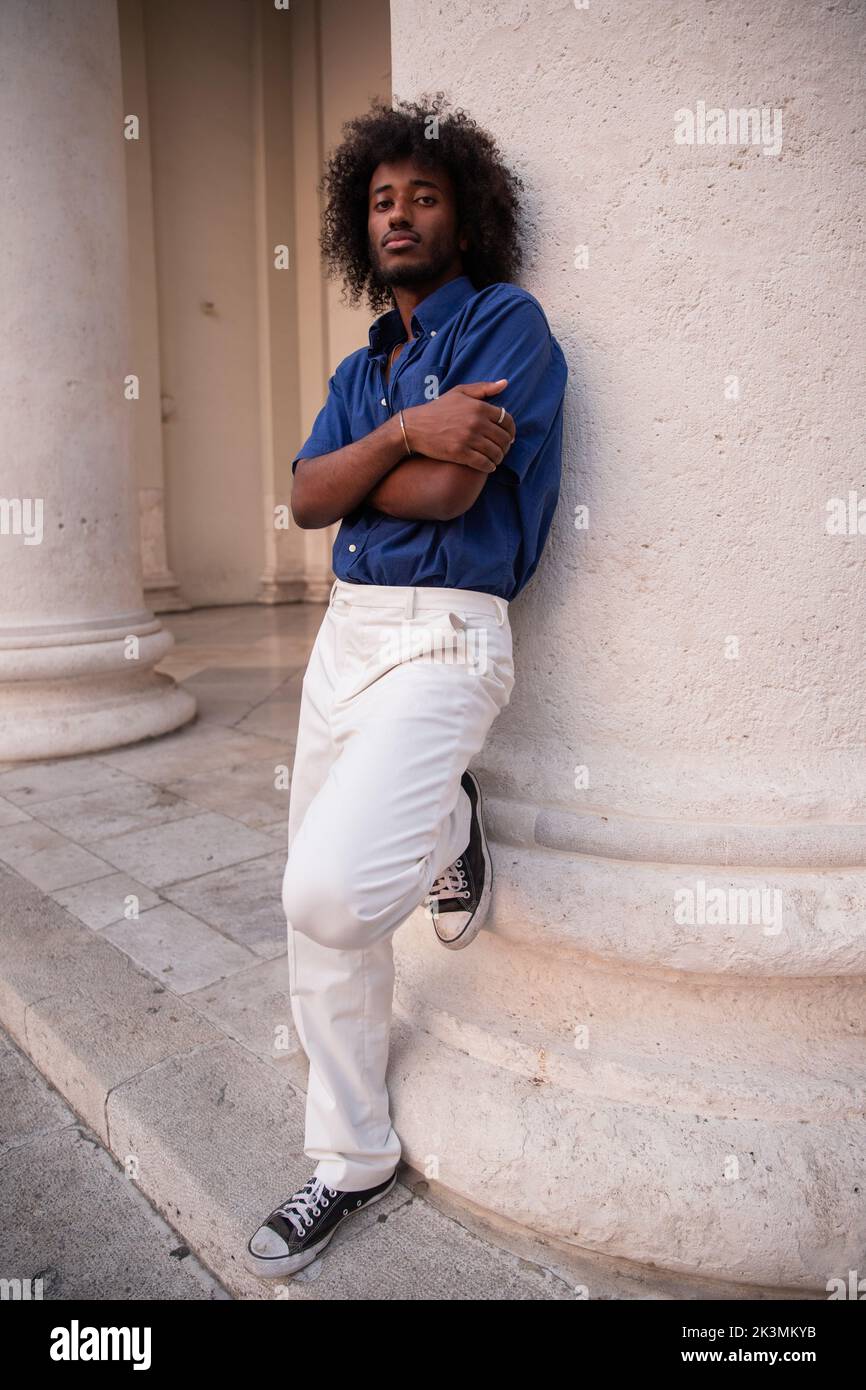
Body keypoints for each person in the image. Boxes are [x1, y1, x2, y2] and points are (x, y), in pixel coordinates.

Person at [244, 95, 568, 1280]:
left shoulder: (508, 327)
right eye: (380, 199)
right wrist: (401, 434)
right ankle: (348, 1156)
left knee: (332, 894)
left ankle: (443, 809)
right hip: (347, 636)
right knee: (301, 912)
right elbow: (305, 499)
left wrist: (378, 460)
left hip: (444, 635)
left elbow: (448, 498)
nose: (397, 213)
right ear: (355, 222)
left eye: (421, 195)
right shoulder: (359, 366)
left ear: (464, 215)